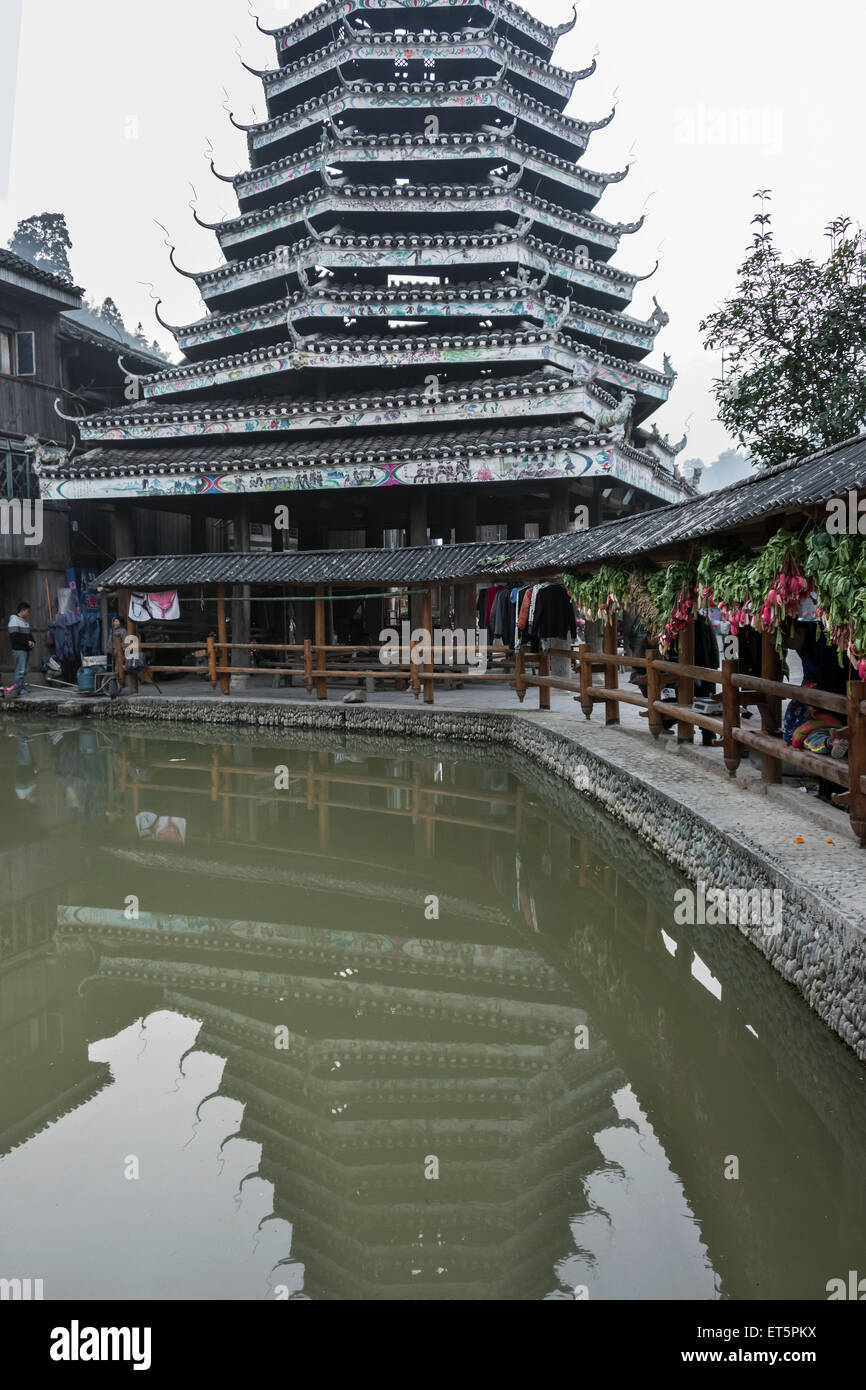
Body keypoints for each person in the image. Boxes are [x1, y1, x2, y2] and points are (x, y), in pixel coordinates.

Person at [8, 601, 35, 693]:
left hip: (25, 649)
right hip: (19, 650)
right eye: (27, 611)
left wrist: (32, 642)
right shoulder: (14, 620)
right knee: (20, 670)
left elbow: (29, 635)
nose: (28, 613)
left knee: (23, 670)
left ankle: (20, 687)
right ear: (22, 610)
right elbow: (14, 637)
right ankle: (18, 689)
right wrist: (27, 642)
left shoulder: (24, 621)